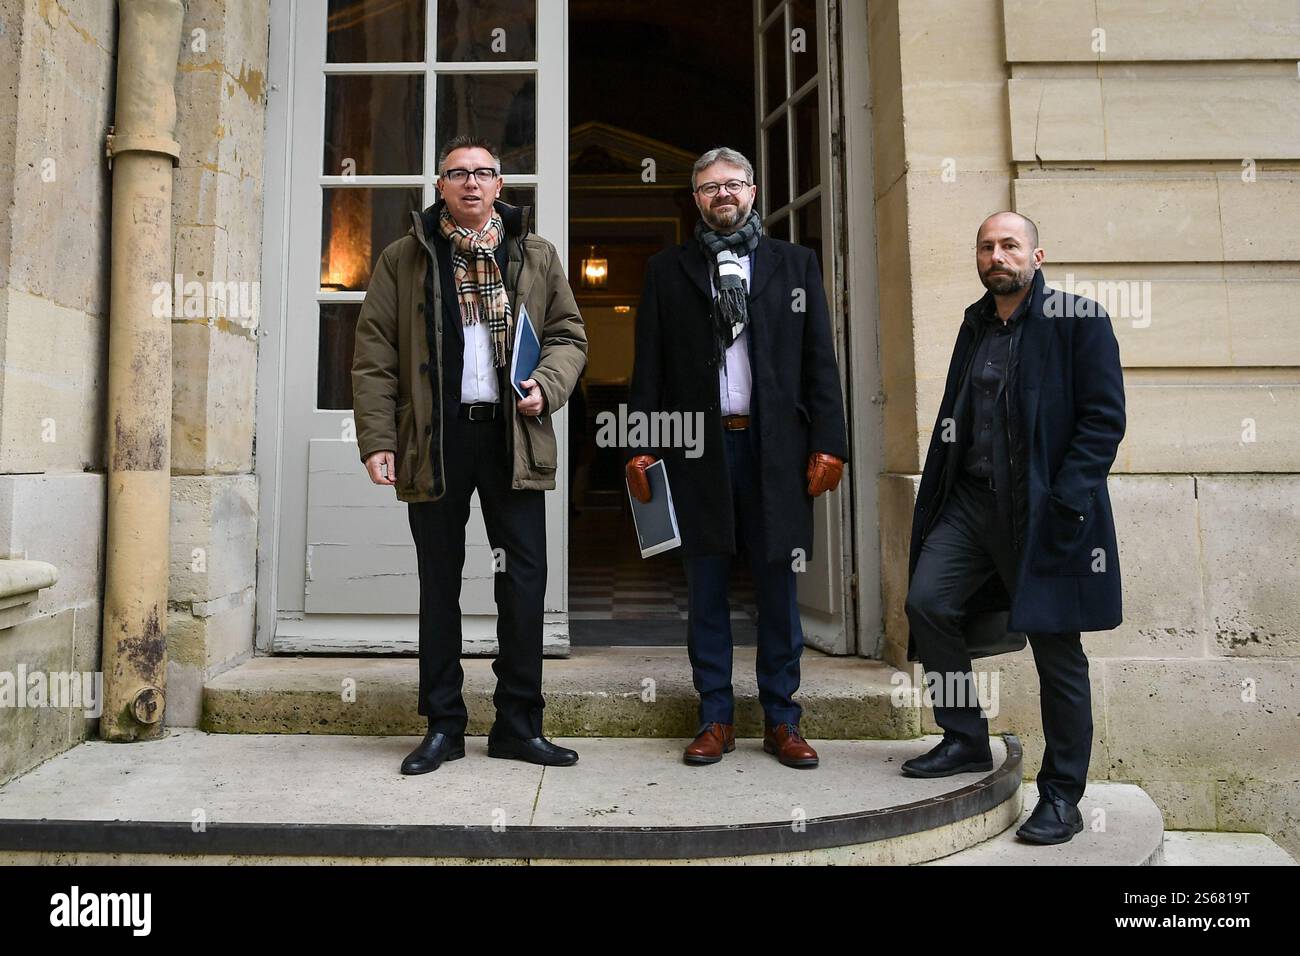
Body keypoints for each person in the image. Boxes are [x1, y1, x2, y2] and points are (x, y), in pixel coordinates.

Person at [351, 135, 587, 774]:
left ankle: (518, 724)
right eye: (459, 174)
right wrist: (377, 440)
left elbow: (568, 335)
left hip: (514, 436)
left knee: (523, 582)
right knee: (439, 583)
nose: (472, 184)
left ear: (500, 186)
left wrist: (550, 384)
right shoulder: (404, 259)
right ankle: (443, 727)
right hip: (438, 439)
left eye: (483, 174)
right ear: (440, 186)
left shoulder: (535, 255)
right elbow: (374, 358)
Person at [902, 211, 1125, 844]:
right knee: (927, 603)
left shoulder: (1077, 321)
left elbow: (1103, 421)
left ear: (1036, 253)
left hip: (1047, 514)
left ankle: (1061, 795)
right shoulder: (974, 327)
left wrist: (1069, 501)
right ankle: (966, 736)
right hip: (972, 507)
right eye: (986, 246)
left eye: (1009, 245)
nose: (997, 255)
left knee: (1058, 655)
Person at [625, 147, 849, 769]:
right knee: (707, 588)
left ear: (753, 191)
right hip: (697, 447)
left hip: (777, 448)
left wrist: (830, 442)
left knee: (779, 584)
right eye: (708, 187)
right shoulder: (668, 271)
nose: (722, 195)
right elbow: (650, 365)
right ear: (695, 199)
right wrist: (642, 442)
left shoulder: (796, 265)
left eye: (733, 184)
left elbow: (819, 364)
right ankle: (715, 717)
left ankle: (783, 719)